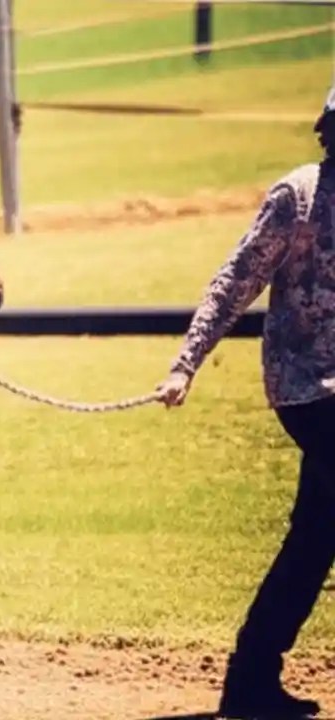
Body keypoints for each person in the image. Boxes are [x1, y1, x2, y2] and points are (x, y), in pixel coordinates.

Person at [157, 83, 335, 719]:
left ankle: (251, 679)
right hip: (306, 388)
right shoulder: (299, 197)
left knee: (315, 539)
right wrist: (185, 365)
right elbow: (233, 283)